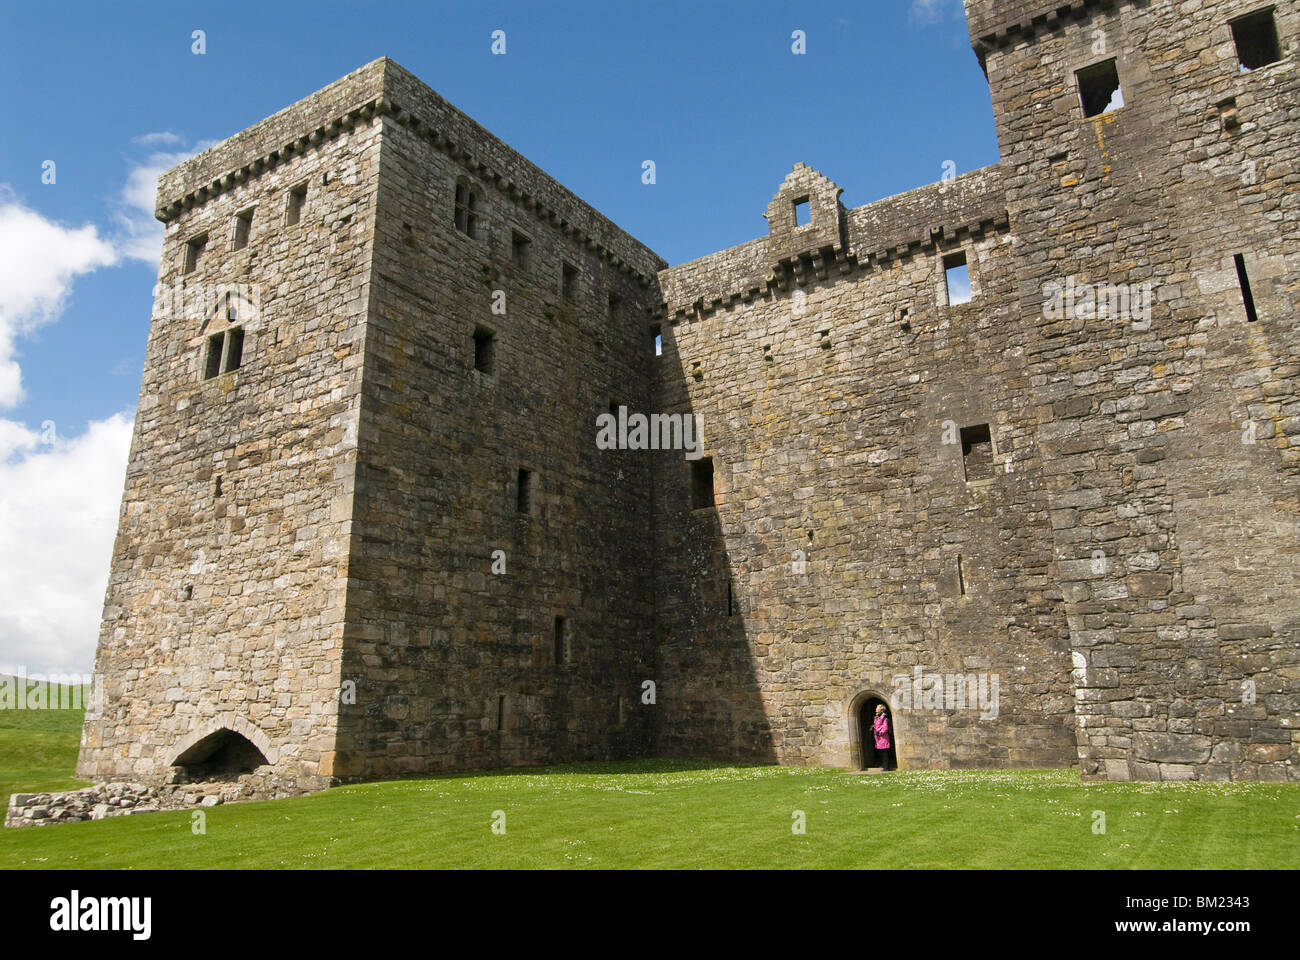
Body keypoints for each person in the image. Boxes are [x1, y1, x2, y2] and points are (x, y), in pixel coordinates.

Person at [873, 704, 896, 771]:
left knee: (885, 753)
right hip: (878, 738)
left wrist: (879, 732)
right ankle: (884, 766)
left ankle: (886, 767)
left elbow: (885, 728)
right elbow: (876, 725)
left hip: (883, 738)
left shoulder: (884, 718)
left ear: (881, 709)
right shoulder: (876, 717)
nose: (876, 709)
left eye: (877, 707)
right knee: (881, 753)